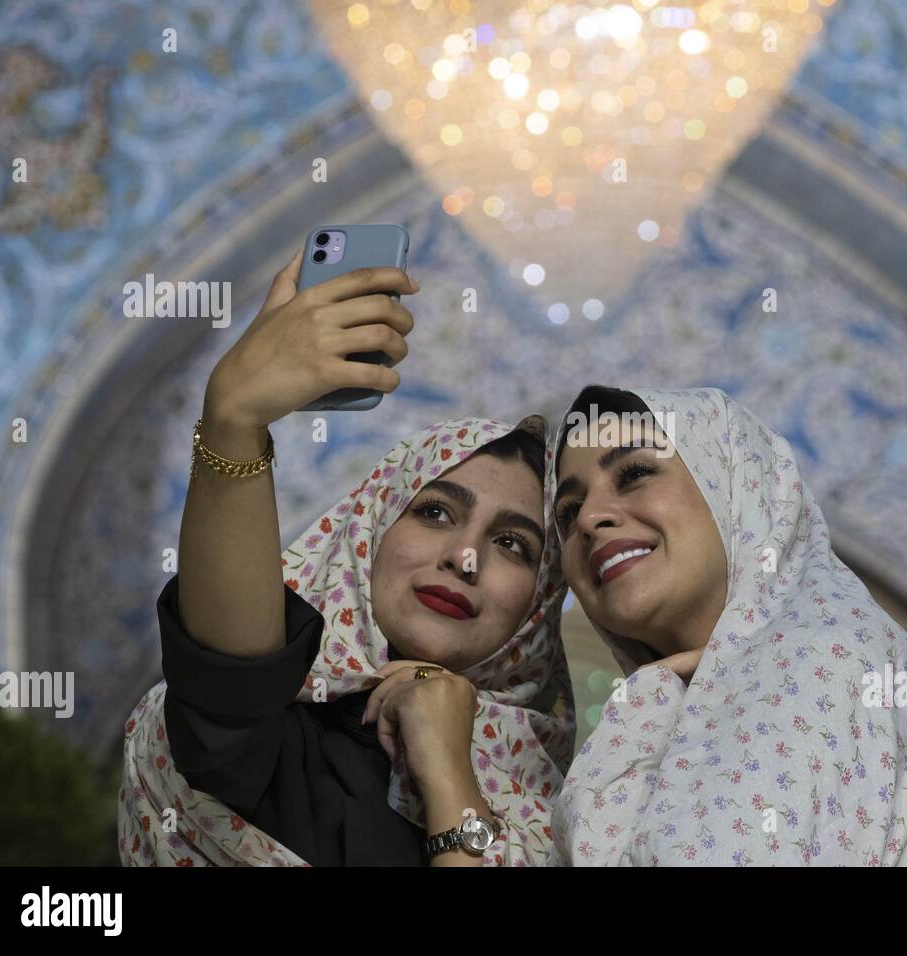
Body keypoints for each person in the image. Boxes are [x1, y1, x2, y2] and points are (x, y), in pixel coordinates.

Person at [118, 251, 573, 866]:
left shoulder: (568, 811)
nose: (466, 557)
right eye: (435, 512)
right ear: (367, 534)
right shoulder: (277, 739)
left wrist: (445, 765)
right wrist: (234, 421)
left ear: (538, 610)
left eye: (513, 545)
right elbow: (227, 678)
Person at [547, 384, 907, 865]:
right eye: (568, 511)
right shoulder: (680, 705)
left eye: (635, 473)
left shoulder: (821, 661)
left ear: (735, 487)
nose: (591, 518)